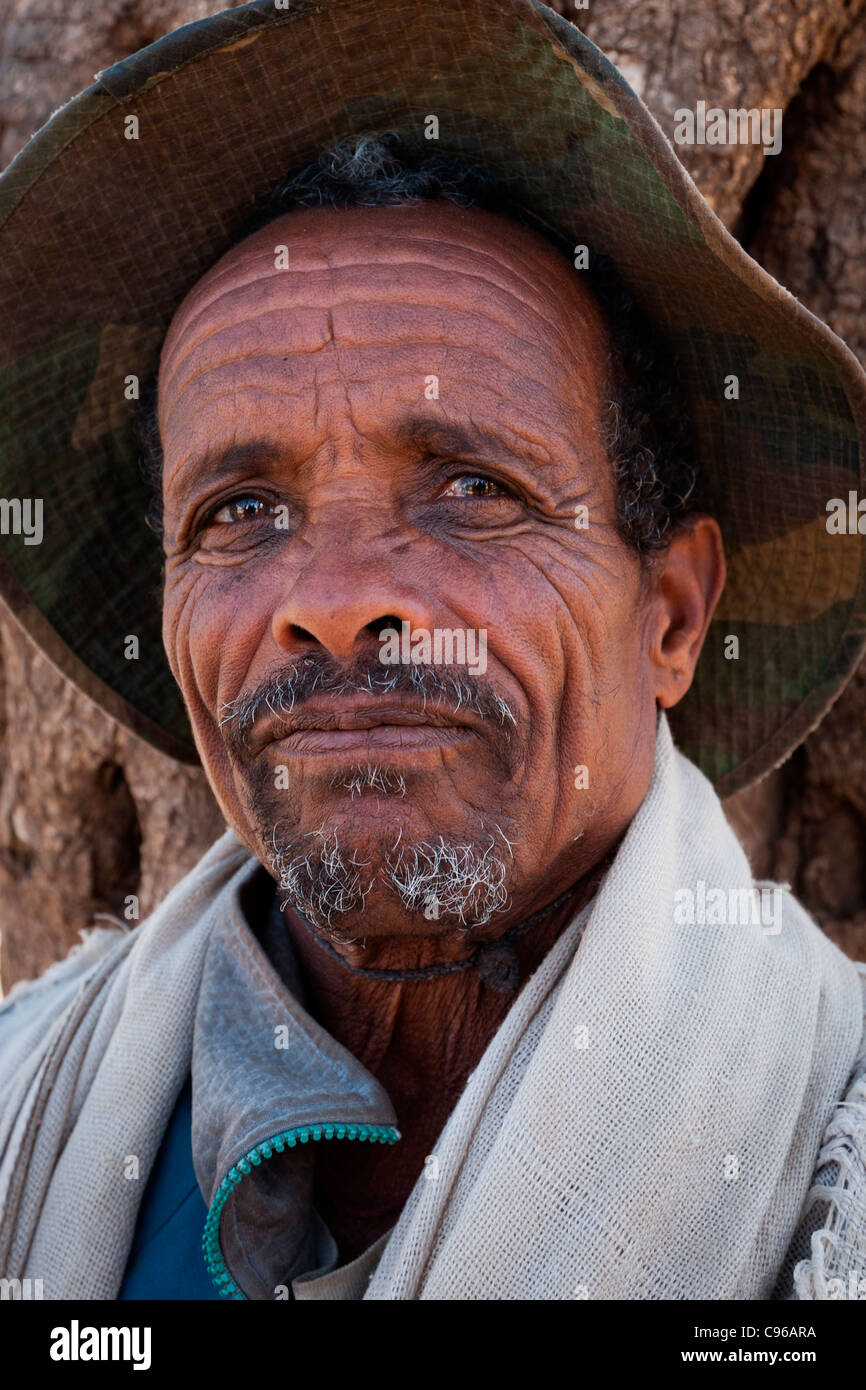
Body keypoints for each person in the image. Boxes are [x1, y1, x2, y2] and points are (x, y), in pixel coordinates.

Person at [0, 0, 864, 1301]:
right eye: (240, 511)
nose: (338, 601)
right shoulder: (29, 1101)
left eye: (469, 487)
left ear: (670, 615)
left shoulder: (830, 1153)